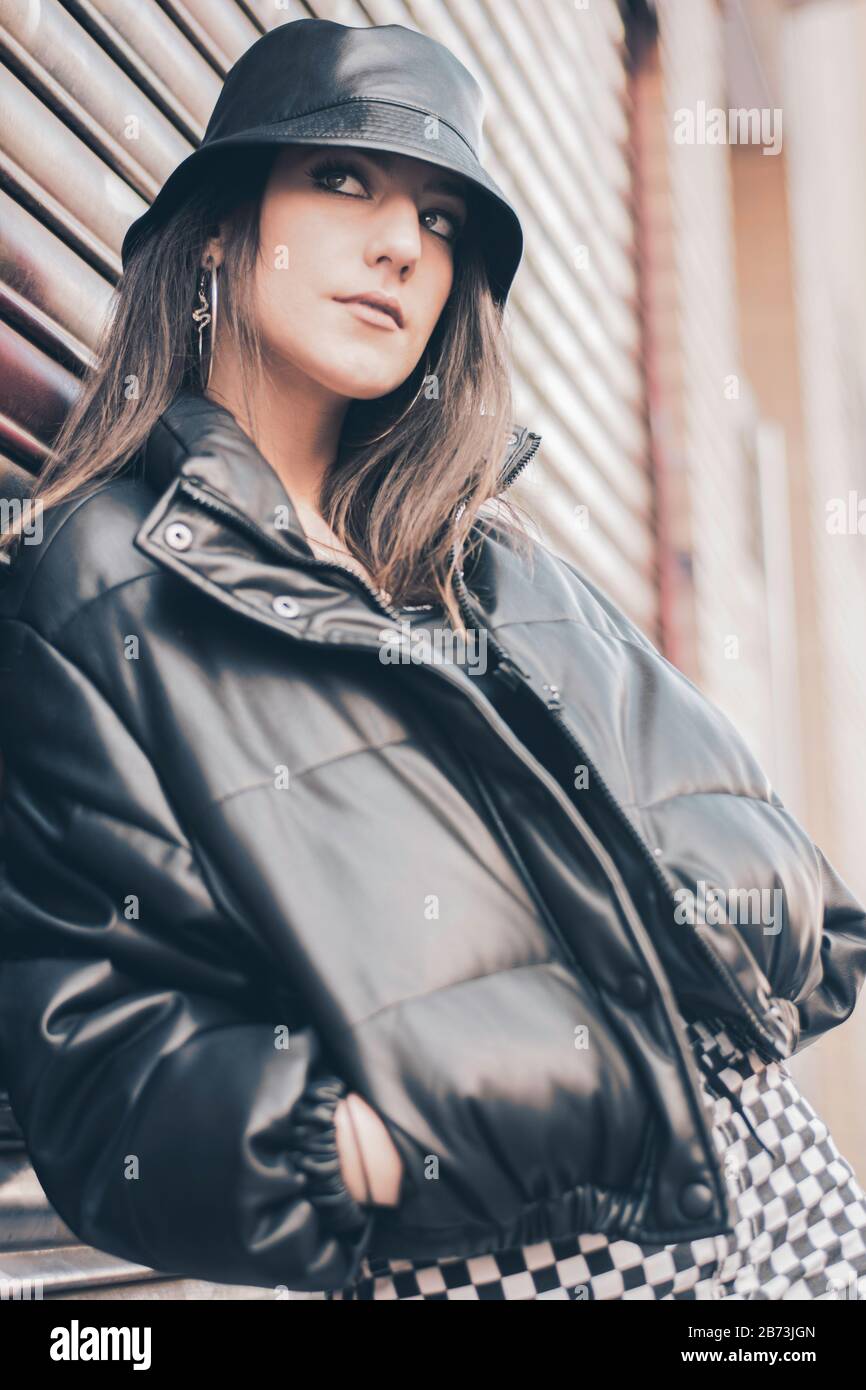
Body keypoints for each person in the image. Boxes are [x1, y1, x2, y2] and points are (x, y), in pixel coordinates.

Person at [1, 17, 865, 1303]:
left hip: (780, 1185)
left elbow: (801, 900)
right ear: (227, 224)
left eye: (444, 220)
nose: (403, 244)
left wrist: (704, 986)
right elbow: (100, 1073)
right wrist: (367, 1142)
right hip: (496, 1261)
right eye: (342, 181)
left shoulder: (495, 566)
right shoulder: (95, 583)